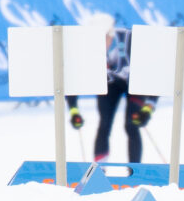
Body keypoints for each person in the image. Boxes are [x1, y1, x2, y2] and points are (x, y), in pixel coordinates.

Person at [66, 18, 156, 163]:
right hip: (110, 84)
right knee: (104, 123)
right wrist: (74, 111)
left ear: (111, 34)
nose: (99, 44)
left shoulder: (131, 41)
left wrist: (149, 107)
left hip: (134, 81)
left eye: (103, 39)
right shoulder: (87, 50)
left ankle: (135, 172)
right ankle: (99, 171)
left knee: (132, 125)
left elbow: (153, 75)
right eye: (94, 40)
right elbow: (74, 81)